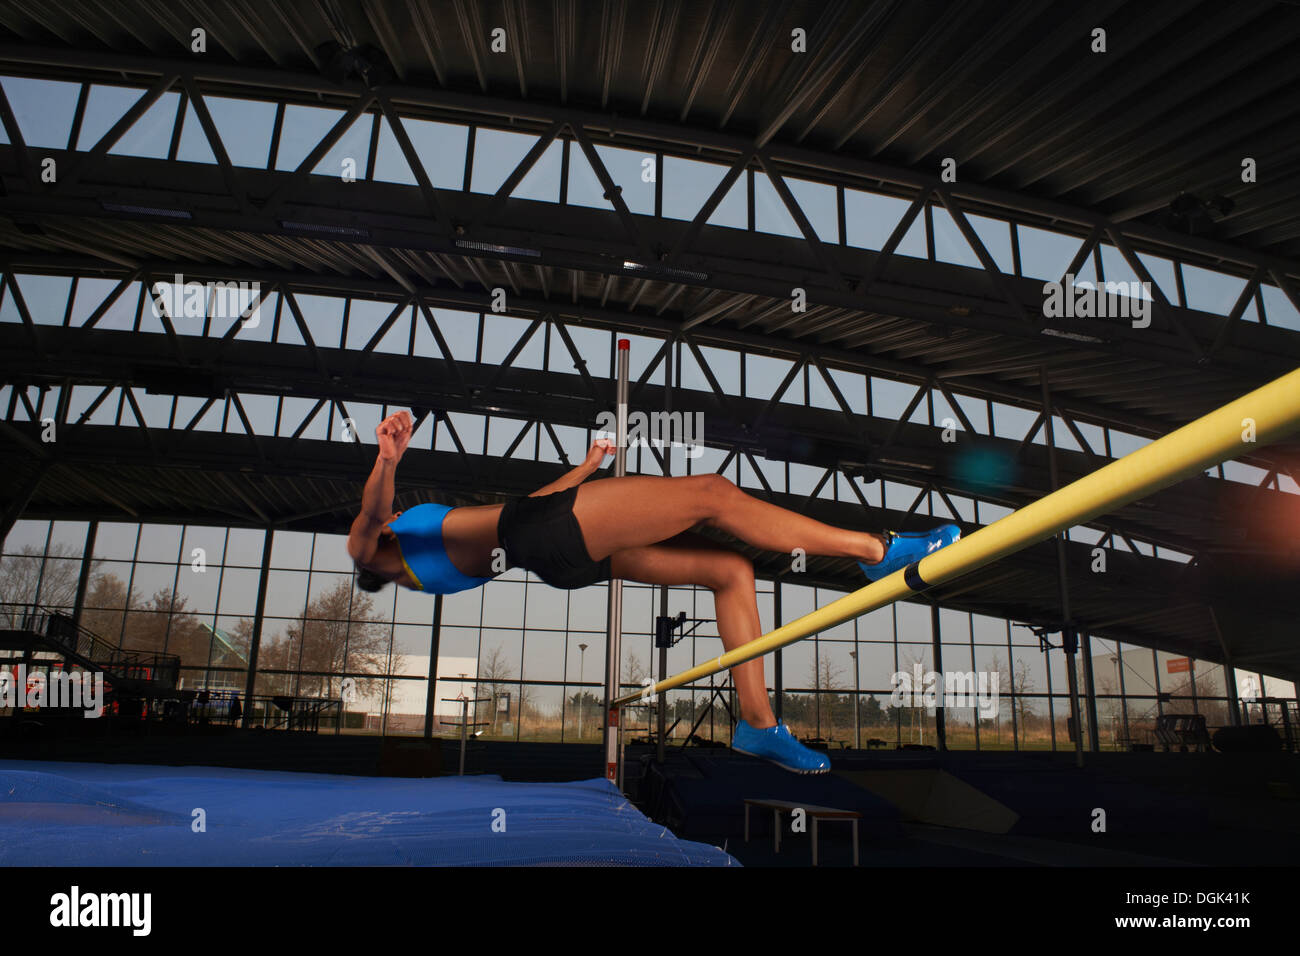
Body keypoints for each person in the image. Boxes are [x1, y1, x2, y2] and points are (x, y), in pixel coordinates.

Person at [349, 411, 960, 773]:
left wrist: (588, 467)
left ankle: (757, 724)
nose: (389, 513)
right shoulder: (382, 551)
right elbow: (371, 517)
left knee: (731, 573)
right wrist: (387, 460)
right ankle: (878, 551)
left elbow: (525, 506)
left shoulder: (424, 552)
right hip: (546, 534)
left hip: (555, 543)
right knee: (712, 495)